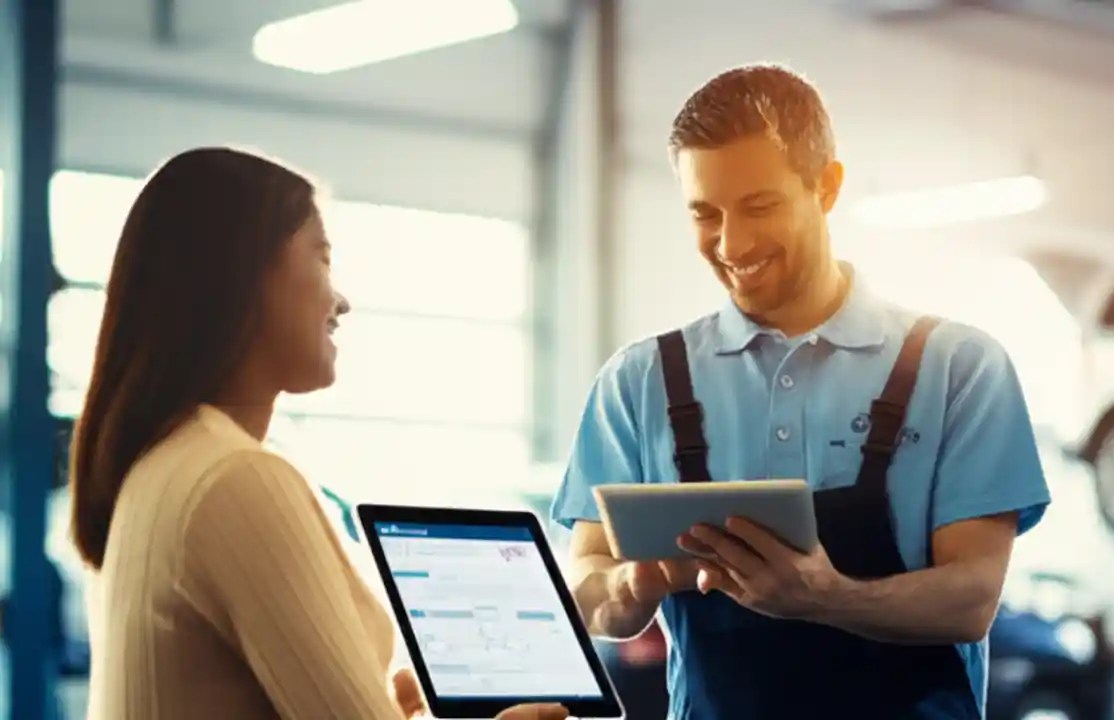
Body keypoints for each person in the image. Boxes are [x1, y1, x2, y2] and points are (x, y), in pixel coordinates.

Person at [552, 64, 1052, 718]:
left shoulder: (959, 369)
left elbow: (971, 599)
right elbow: (586, 584)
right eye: (705, 214)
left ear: (827, 186)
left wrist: (824, 596)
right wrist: (632, 584)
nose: (731, 244)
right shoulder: (639, 381)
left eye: (759, 207)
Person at [69, 147, 568, 720]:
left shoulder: (163, 463)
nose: (341, 302)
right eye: (322, 258)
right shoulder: (236, 479)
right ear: (244, 271)